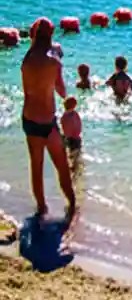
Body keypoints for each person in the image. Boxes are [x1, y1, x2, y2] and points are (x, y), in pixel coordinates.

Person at [20, 18, 75, 216]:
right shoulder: (53, 61)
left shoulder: (27, 58)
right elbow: (61, 91)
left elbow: (39, 48)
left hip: (29, 119)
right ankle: (73, 205)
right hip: (47, 122)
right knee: (62, 166)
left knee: (36, 166)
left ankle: (41, 208)